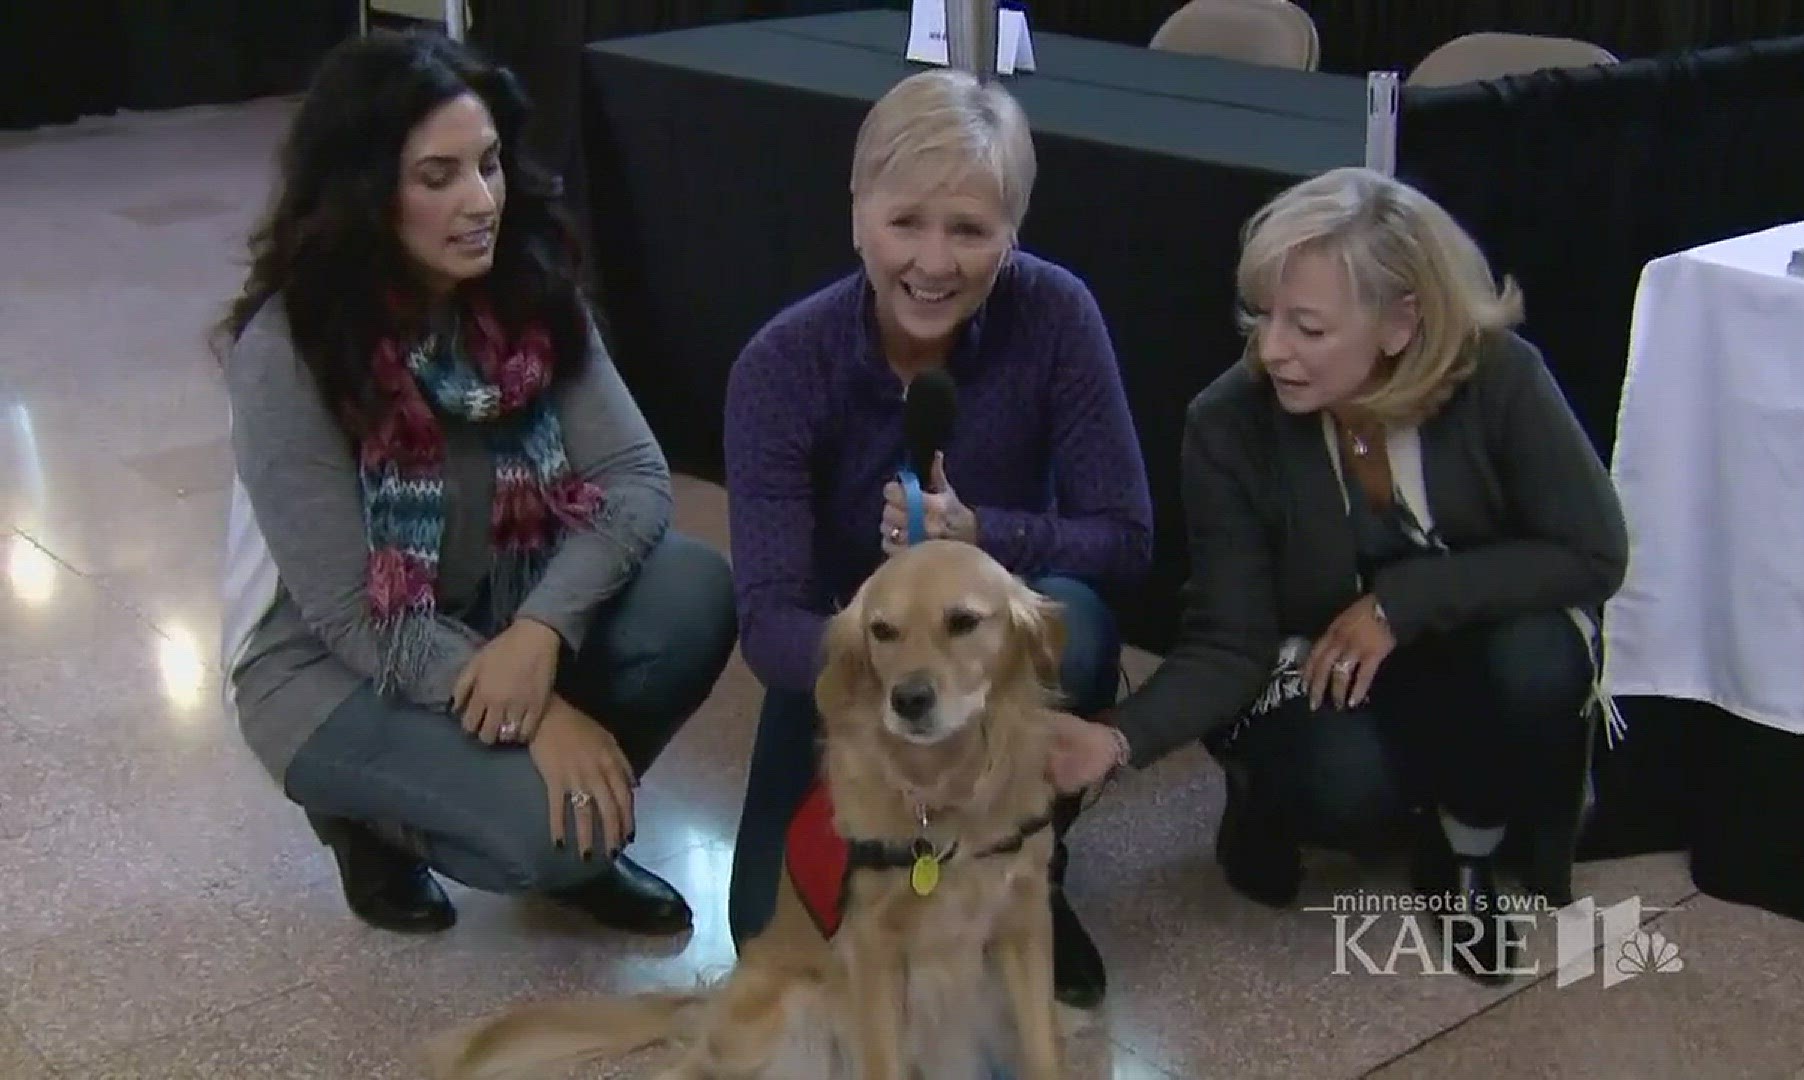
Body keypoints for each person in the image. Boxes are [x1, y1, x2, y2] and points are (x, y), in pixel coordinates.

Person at [1049, 167, 1627, 983]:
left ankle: (1465, 849)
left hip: (1462, 641)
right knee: (1344, 788)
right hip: (1311, 659)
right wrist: (1116, 739)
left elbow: (1596, 552)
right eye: (1265, 316)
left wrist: (1399, 602)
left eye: (1307, 328)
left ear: (1401, 324)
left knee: (1542, 659)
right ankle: (1271, 800)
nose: (1271, 348)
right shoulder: (1228, 423)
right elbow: (1228, 641)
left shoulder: (1501, 376)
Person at [217, 31, 738, 936]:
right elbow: (348, 615)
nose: (481, 202)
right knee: (551, 837)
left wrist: (540, 633)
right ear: (366, 194)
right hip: (332, 665)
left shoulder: (526, 287)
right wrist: (543, 724)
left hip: (496, 613)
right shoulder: (287, 352)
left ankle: (572, 814)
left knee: (692, 591)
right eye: (439, 177)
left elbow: (636, 476)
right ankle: (373, 823)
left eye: (490, 165)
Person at [723, 69, 1153, 1008]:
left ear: (1013, 233)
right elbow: (768, 621)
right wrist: (895, 683)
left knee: (1071, 617)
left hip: (992, 665)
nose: (933, 260)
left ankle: (1021, 867)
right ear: (856, 216)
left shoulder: (1057, 317)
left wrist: (985, 535)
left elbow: (1125, 542)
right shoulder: (782, 366)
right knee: (768, 926)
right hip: (851, 674)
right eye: (905, 222)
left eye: (970, 230)